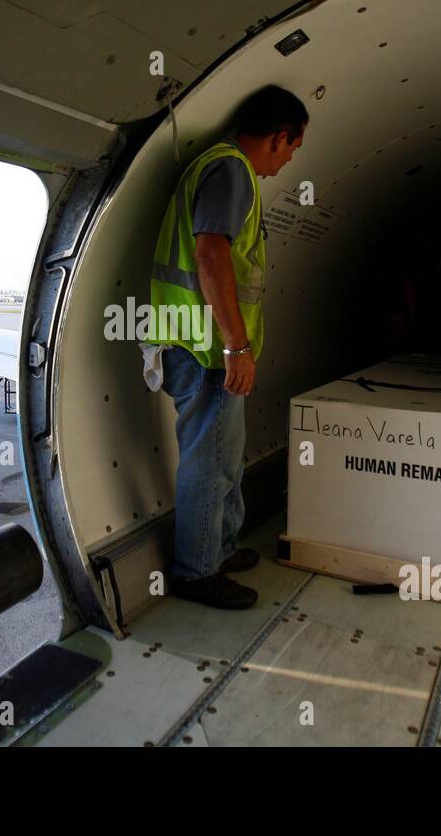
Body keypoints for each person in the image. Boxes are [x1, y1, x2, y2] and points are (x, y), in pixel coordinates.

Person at [141, 85, 308, 609]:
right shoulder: (232, 169)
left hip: (198, 343)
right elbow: (211, 255)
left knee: (225, 458)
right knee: (209, 462)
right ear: (280, 137)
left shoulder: (219, 167)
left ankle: (220, 546)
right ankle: (197, 571)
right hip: (204, 348)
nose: (285, 164)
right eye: (291, 150)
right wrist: (237, 347)